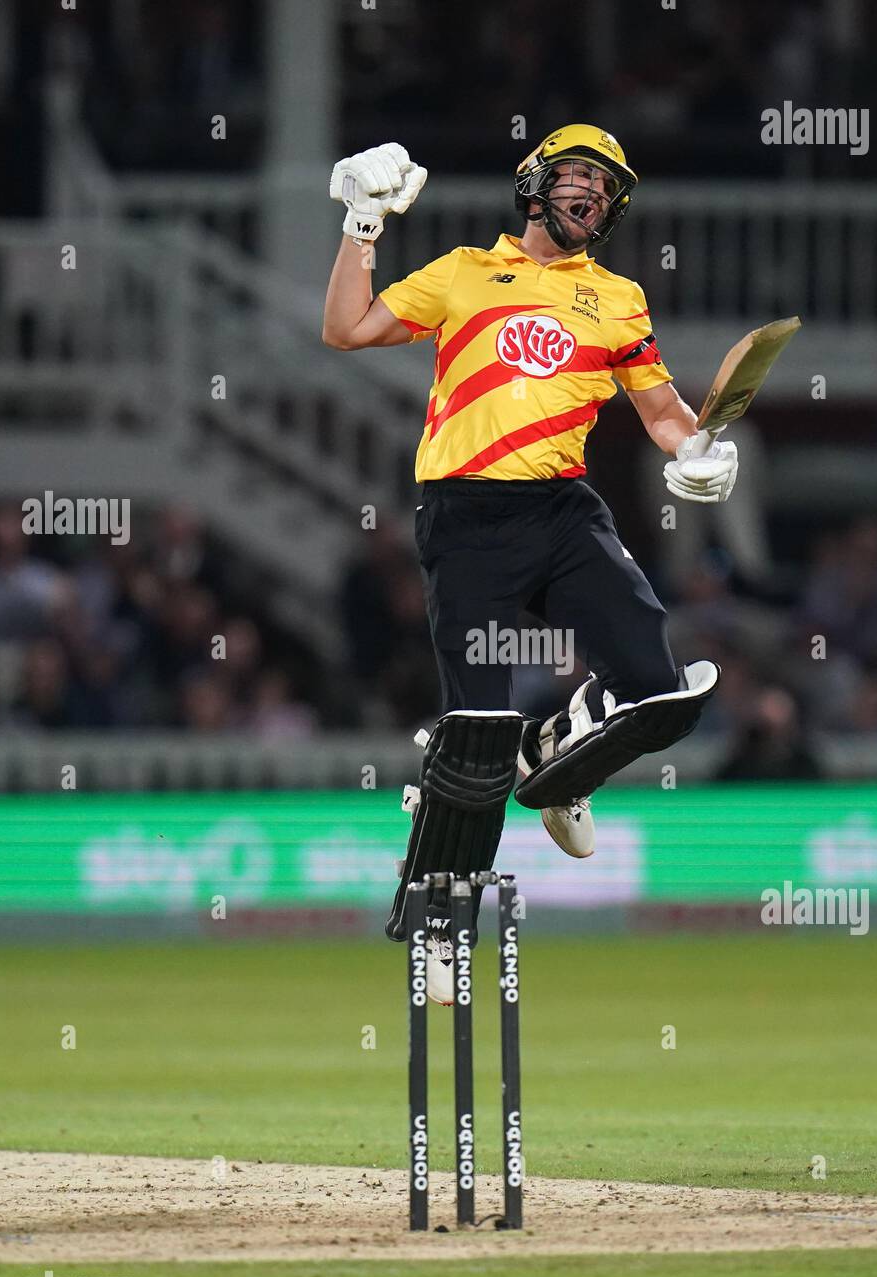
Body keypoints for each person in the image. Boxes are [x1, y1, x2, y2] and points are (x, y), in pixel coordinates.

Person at [323, 127, 738, 1001]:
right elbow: (346, 329)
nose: (591, 194)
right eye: (578, 177)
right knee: (476, 735)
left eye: (605, 187)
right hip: (465, 516)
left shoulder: (617, 298)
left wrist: (693, 449)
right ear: (536, 182)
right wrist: (361, 225)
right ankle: (439, 926)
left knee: (659, 689)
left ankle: (561, 762)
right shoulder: (464, 271)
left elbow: (660, 410)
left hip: (562, 509)